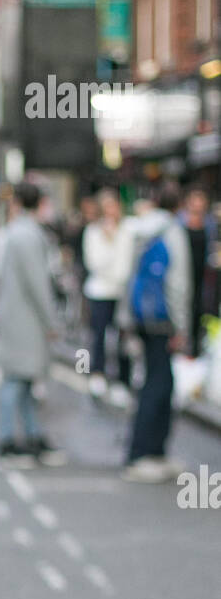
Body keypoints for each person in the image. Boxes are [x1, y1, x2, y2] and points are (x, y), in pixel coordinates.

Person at [0, 181, 66, 466]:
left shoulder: (16, 233)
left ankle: (32, 435)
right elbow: (38, 283)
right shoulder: (29, 236)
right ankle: (7, 439)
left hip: (15, 315)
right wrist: (52, 320)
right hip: (25, 319)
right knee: (16, 380)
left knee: (22, 379)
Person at [118, 180, 191, 482]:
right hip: (164, 321)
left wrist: (125, 319)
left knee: (158, 381)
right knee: (158, 385)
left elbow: (128, 276)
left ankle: (154, 451)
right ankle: (142, 454)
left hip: (142, 318)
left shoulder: (139, 230)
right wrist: (182, 326)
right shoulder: (173, 232)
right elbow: (178, 283)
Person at [82, 188, 132, 403]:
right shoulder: (93, 232)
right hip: (99, 292)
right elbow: (94, 263)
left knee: (123, 338)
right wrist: (109, 243)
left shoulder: (126, 231)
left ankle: (122, 382)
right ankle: (97, 373)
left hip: (121, 293)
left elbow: (125, 267)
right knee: (98, 335)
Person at [181, 187, 211, 358]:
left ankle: (195, 350)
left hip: (203, 275)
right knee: (184, 308)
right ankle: (184, 348)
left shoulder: (209, 224)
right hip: (184, 273)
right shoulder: (180, 223)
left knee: (199, 309)